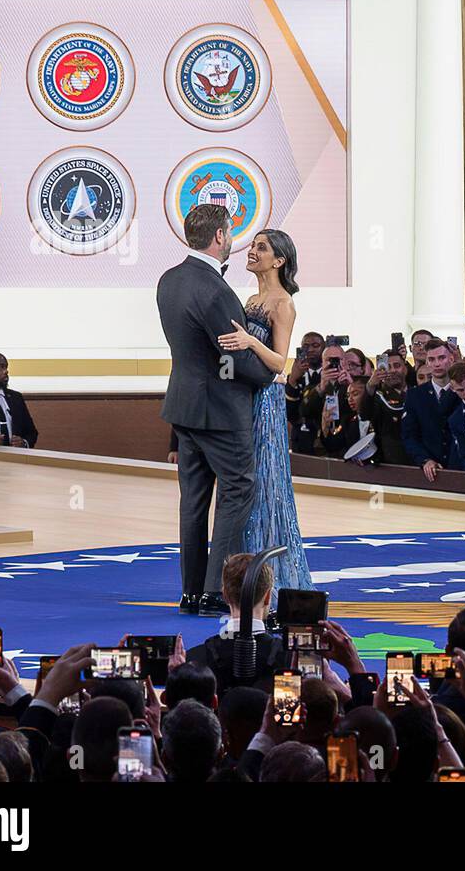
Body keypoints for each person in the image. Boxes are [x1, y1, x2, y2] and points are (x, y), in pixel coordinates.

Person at [157, 204, 275, 616]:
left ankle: (191, 592)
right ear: (220, 236)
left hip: (184, 409)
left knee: (192, 502)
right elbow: (234, 354)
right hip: (221, 412)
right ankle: (212, 592)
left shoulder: (168, 281)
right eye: (231, 234)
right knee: (237, 492)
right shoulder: (215, 290)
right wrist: (267, 375)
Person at [216, 229, 312, 594]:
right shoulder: (252, 298)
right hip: (244, 398)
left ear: (280, 260)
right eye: (254, 245)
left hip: (267, 404)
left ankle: (270, 578)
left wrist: (251, 341)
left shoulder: (282, 303)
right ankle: (245, 573)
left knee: (266, 484)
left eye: (262, 247)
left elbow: (279, 362)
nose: (252, 251)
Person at [185, 553, 287, 697]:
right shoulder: (288, 660)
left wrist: (176, 676)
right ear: (268, 597)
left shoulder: (194, 660)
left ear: (225, 595)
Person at [401, 338, 459, 481]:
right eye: (432, 359)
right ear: (427, 362)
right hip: (429, 472)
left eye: (442, 358)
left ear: (451, 359)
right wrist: (425, 460)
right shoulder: (415, 395)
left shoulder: (464, 391)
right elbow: (409, 435)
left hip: (461, 468)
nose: (437, 363)